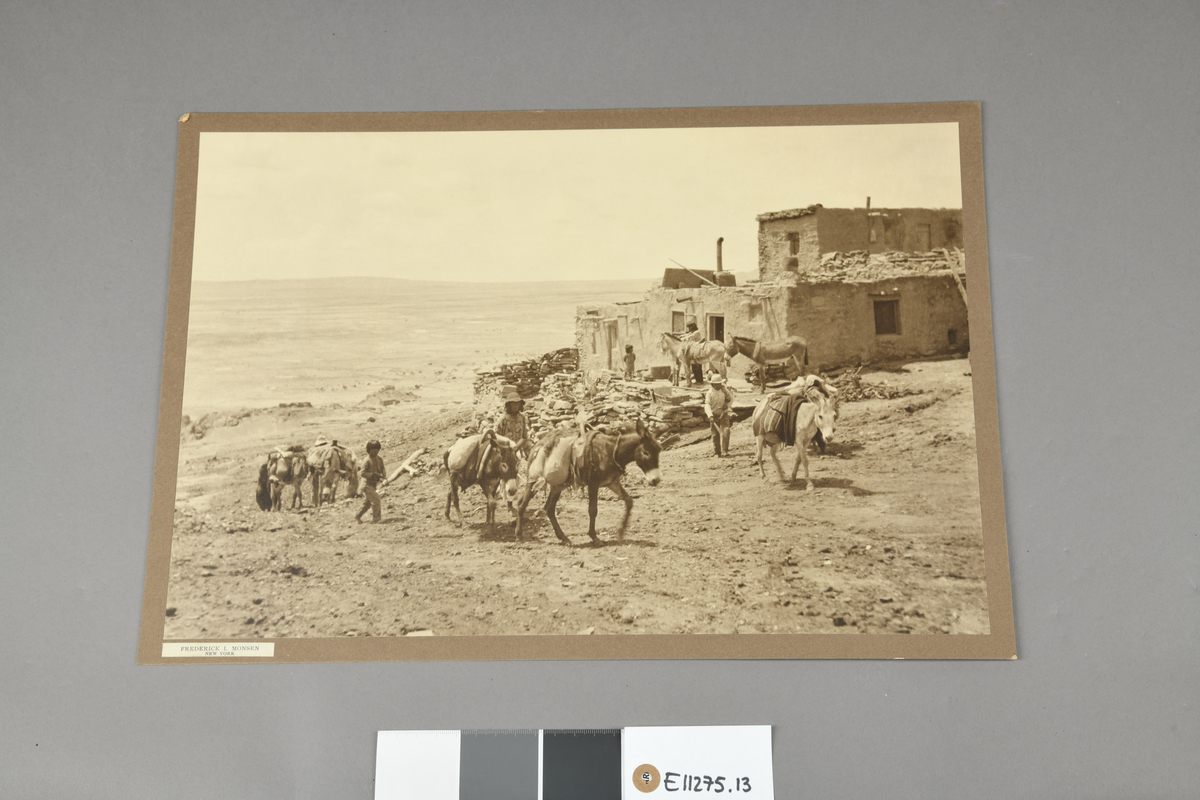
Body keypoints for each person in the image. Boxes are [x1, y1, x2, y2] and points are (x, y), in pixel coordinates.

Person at [355, 439, 386, 523]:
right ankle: (376, 518)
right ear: (369, 450)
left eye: (377, 449)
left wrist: (383, 476)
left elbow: (382, 468)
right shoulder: (367, 460)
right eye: (373, 449)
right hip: (366, 484)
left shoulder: (379, 459)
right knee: (376, 500)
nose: (376, 451)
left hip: (373, 484)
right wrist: (373, 474)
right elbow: (362, 473)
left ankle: (357, 515)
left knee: (367, 502)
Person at [704, 375, 735, 457]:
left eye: (720, 383)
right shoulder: (709, 393)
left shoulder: (724, 390)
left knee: (726, 431)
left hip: (724, 413)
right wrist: (710, 415)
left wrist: (727, 405)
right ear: (712, 385)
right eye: (717, 384)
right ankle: (717, 452)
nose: (719, 385)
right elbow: (707, 405)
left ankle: (725, 451)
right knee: (715, 434)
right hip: (714, 415)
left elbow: (732, 399)